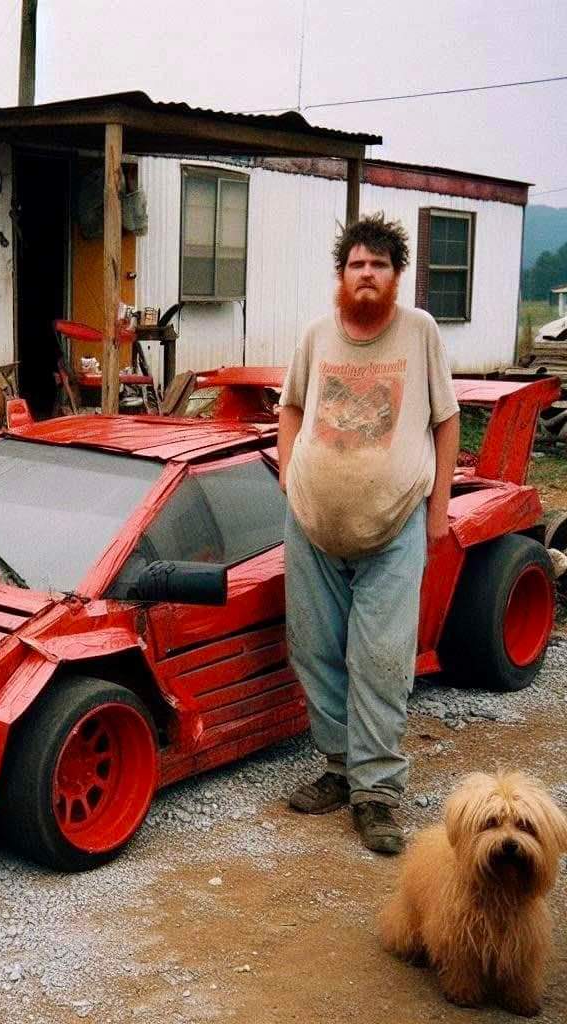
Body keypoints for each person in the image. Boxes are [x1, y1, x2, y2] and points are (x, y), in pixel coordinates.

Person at [277, 213, 460, 855]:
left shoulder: (420, 332)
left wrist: (439, 511)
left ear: (396, 275)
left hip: (395, 522)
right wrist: (288, 478)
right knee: (316, 648)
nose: (367, 275)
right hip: (312, 523)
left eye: (379, 266)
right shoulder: (316, 334)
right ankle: (338, 768)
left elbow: (446, 420)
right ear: (340, 274)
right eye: (357, 264)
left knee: (380, 659)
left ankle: (377, 792)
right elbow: (292, 405)